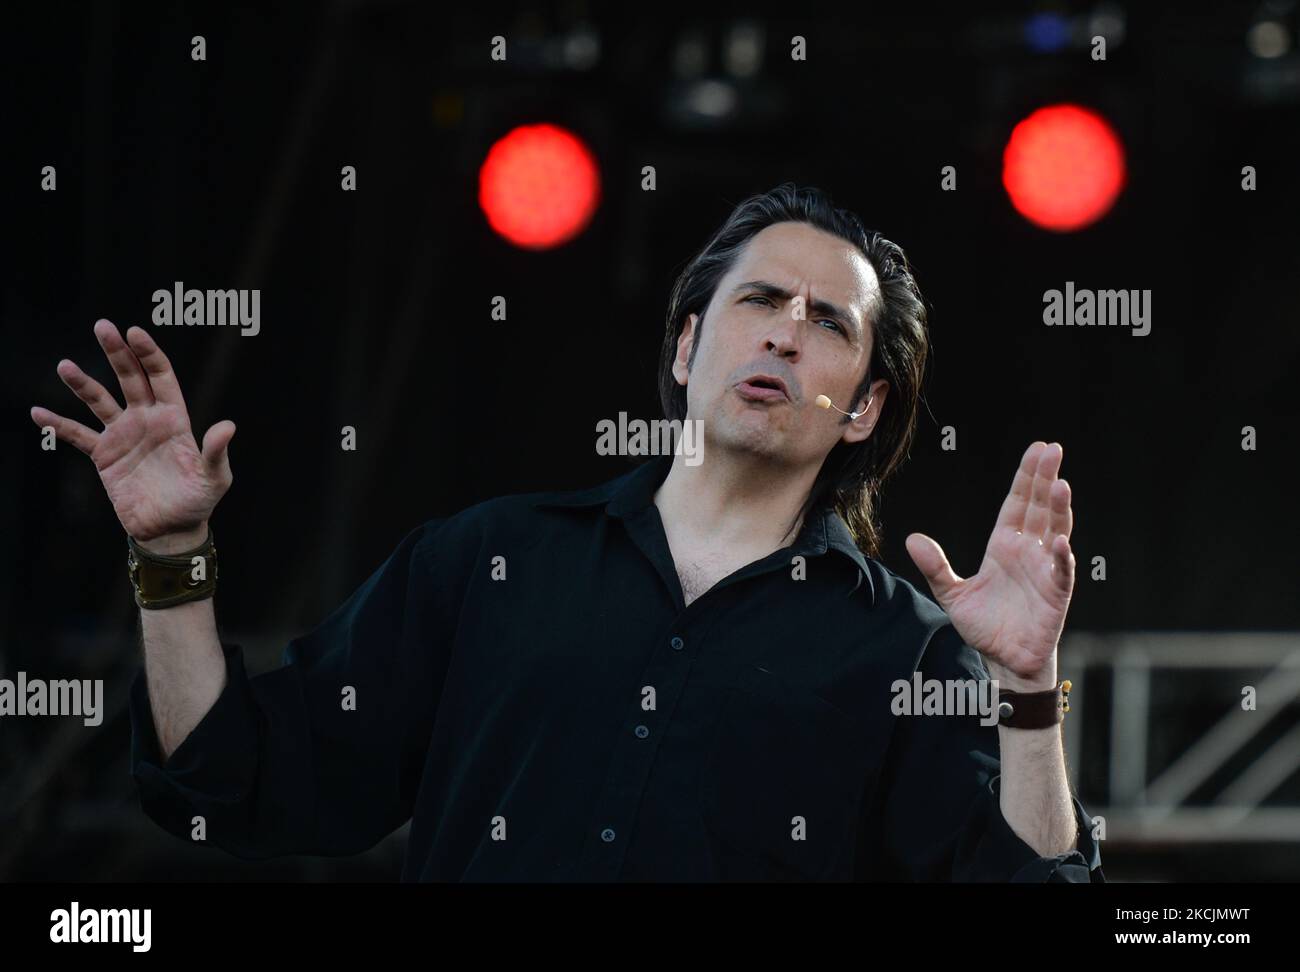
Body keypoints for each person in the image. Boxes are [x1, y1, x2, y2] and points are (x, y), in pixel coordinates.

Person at [31, 183, 1103, 881]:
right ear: (687, 348)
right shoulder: (488, 563)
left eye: (830, 324)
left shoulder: (906, 652)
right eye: (761, 299)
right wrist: (172, 561)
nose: (786, 328)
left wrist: (1024, 692)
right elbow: (226, 785)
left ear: (863, 408)